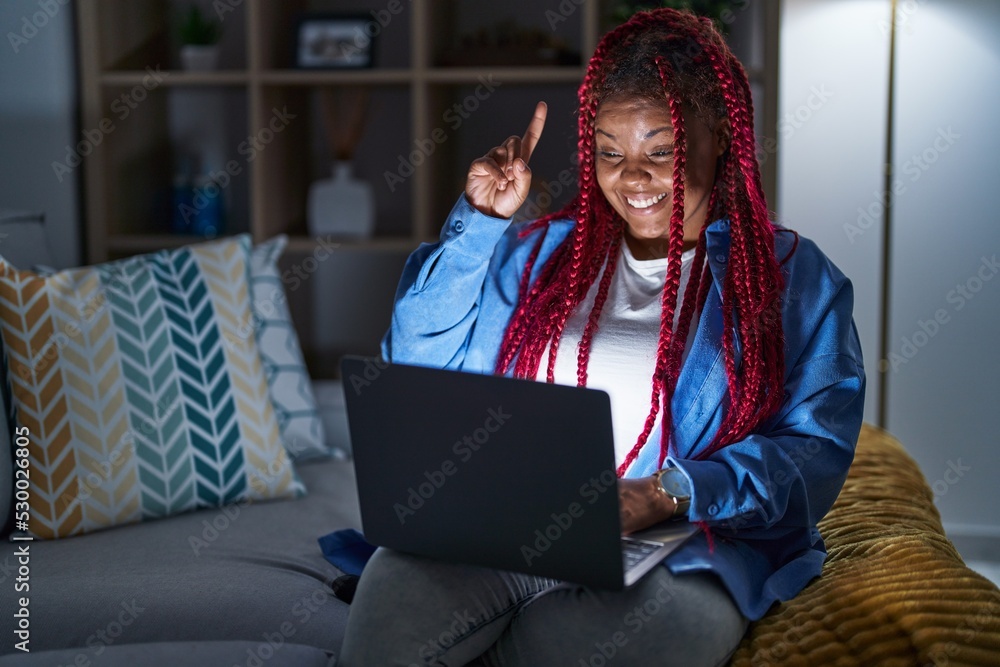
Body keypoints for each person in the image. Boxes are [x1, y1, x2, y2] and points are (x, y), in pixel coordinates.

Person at [339, 7, 865, 666]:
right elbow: (418, 368)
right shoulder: (538, 254)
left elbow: (812, 452)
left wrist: (667, 490)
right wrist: (477, 225)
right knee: (390, 605)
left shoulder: (795, 280)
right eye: (610, 152)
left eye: (661, 150)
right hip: (512, 524)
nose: (632, 178)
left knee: (654, 637)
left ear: (722, 134)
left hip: (679, 541)